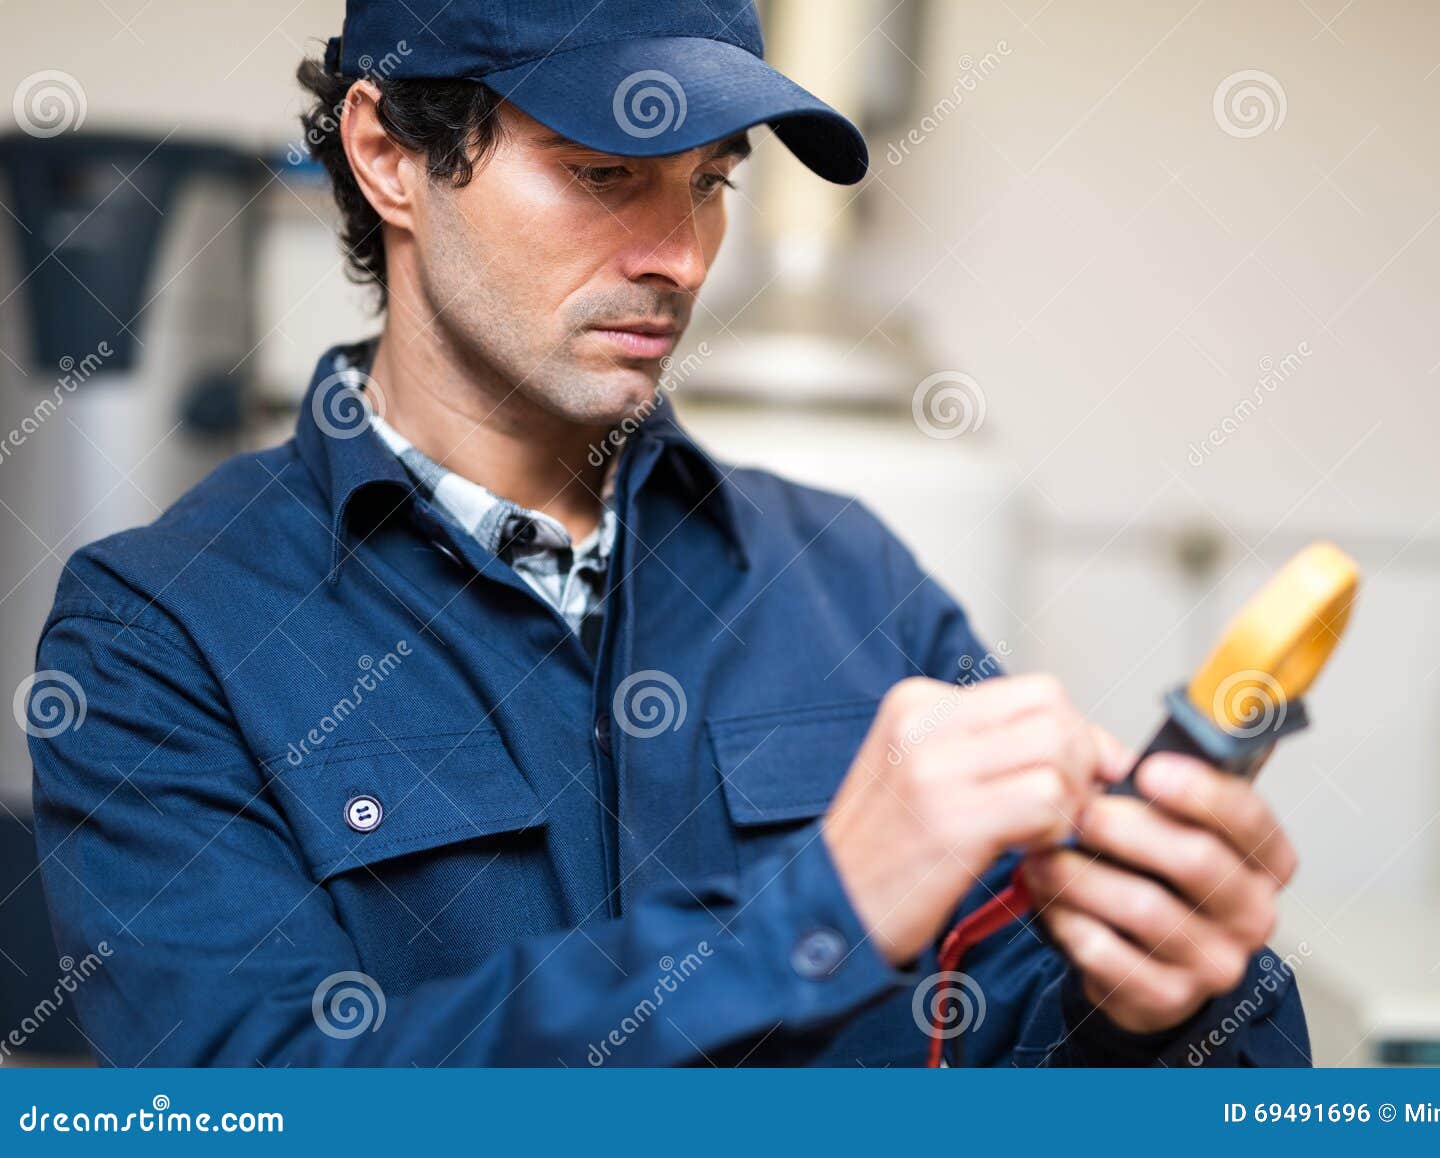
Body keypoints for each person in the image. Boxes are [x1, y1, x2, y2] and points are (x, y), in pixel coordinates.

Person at [28, 0, 1309, 1066]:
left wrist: (1154, 996)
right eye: (603, 175)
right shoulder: (160, 640)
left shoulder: (844, 574)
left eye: (708, 186)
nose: (680, 257)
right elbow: (271, 1101)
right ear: (389, 154)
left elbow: (996, 1032)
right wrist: (807, 921)